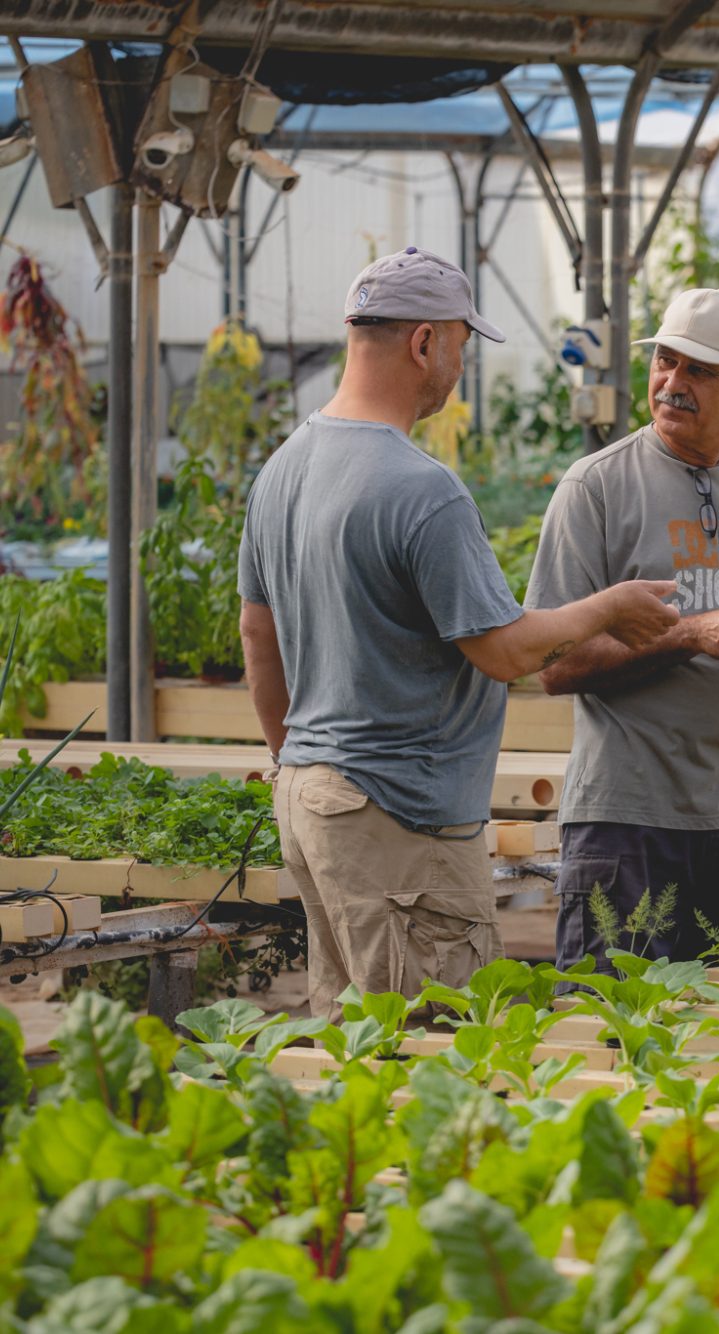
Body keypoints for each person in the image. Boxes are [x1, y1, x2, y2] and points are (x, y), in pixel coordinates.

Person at [239, 246, 680, 1021]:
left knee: (354, 1049)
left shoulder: (284, 466)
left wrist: (296, 759)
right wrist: (610, 607)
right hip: (399, 819)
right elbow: (505, 648)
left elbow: (256, 632)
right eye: (460, 346)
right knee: (434, 1056)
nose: (458, 367)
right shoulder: (421, 489)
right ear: (423, 343)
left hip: (314, 803)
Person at [526, 287, 719, 973]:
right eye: (664, 362)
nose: (672, 384)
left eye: (699, 370)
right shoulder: (596, 486)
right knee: (613, 1034)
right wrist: (689, 635)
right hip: (626, 818)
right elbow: (552, 666)